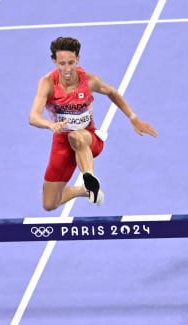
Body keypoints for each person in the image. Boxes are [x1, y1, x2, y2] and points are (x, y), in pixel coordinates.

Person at [28, 36, 158, 212]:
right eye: (62, 64)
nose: (67, 69)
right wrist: (49, 125)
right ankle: (84, 191)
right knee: (49, 204)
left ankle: (89, 178)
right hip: (61, 142)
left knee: (76, 136)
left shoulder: (89, 81)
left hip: (89, 140)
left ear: (78, 60)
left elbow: (112, 92)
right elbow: (33, 116)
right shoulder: (47, 84)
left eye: (71, 63)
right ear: (54, 62)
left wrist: (133, 118)